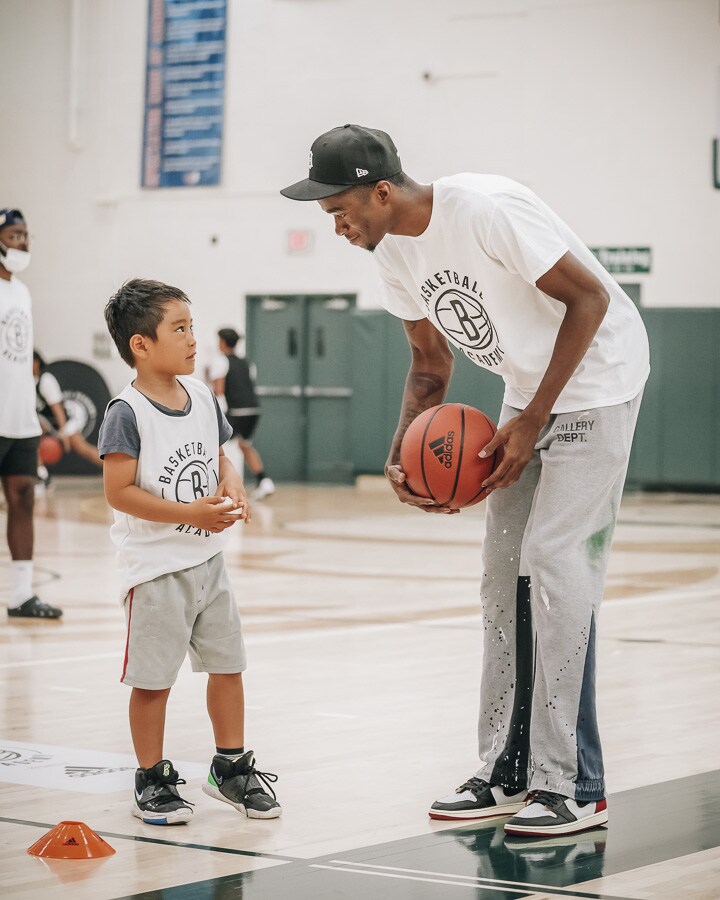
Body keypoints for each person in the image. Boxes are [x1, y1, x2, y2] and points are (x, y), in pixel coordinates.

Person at [281, 125, 649, 838]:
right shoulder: (390, 253)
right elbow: (428, 363)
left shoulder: (483, 210)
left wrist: (533, 418)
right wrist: (399, 455)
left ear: (381, 190)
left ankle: (574, 785)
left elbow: (591, 301)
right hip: (528, 391)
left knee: (554, 562)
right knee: (501, 573)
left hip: (598, 383)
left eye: (341, 210)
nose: (338, 226)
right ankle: (506, 770)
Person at [98, 278, 281, 825]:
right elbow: (118, 492)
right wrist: (191, 513)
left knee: (229, 667)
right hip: (155, 571)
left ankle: (230, 767)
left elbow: (221, 452)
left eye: (192, 327)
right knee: (154, 682)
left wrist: (235, 483)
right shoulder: (125, 412)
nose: (192, 338)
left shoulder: (202, 394)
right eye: (179, 329)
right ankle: (151, 779)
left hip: (209, 563)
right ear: (141, 344)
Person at [0, 208, 62, 619]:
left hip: (20, 417)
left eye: (26, 235)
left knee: (23, 499)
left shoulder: (22, 292)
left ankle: (22, 595)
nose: (22, 242)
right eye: (14, 234)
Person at [207, 328, 275, 501]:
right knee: (245, 445)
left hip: (237, 411)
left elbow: (219, 391)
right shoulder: (247, 362)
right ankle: (264, 481)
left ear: (222, 342)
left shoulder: (221, 361)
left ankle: (216, 486)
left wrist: (208, 381)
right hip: (253, 410)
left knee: (212, 444)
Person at [33, 350, 103, 485]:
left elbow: (57, 409)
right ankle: (42, 475)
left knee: (85, 450)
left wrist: (64, 433)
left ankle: (115, 469)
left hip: (63, 424)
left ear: (36, 362)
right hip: (49, 424)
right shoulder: (30, 382)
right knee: (32, 441)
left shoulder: (45, 380)